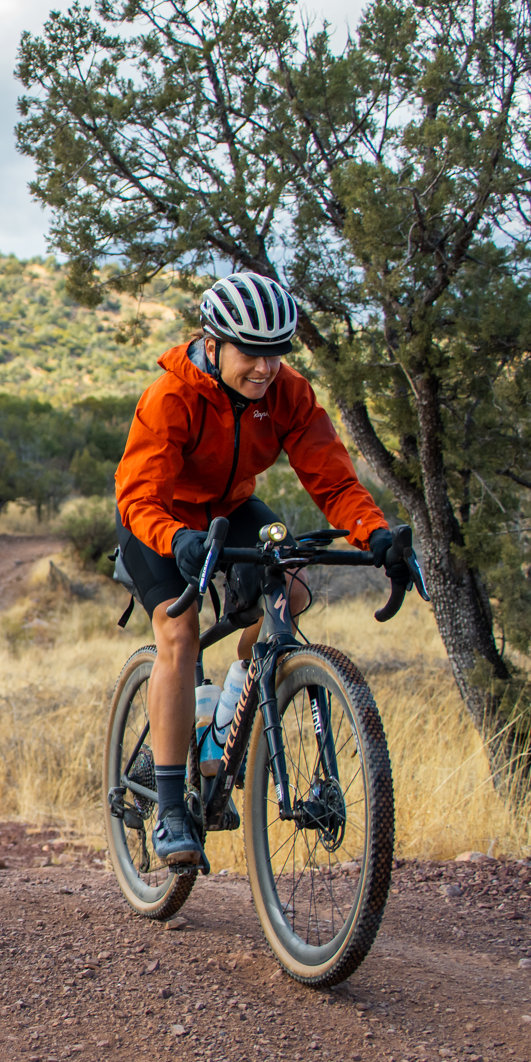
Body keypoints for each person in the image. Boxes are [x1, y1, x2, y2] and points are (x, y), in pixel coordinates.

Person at [114, 271, 413, 867]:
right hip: (159, 519)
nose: (265, 369)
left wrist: (375, 532)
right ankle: (172, 809)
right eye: (251, 352)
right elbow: (138, 496)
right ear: (215, 342)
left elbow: (331, 476)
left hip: (229, 510)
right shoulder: (171, 397)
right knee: (179, 630)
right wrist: (177, 540)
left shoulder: (287, 394)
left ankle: (222, 720)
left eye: (277, 353)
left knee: (293, 587)